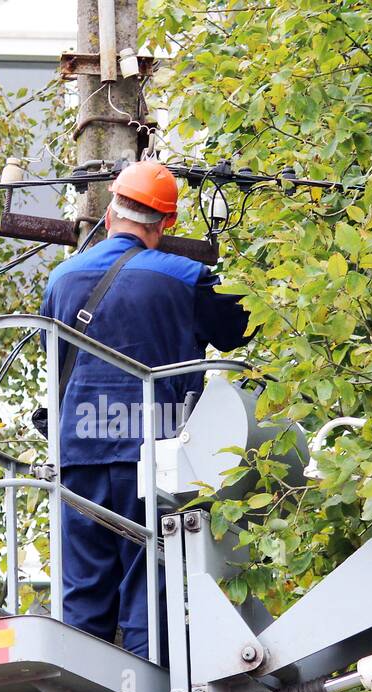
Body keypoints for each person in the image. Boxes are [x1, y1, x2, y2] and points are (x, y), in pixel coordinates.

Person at [38, 160, 252, 659]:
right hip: (154, 458)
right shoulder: (187, 277)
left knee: (83, 594)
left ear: (109, 215)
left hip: (79, 459)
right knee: (148, 585)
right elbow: (241, 325)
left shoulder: (62, 279)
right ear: (167, 226)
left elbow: (53, 361)